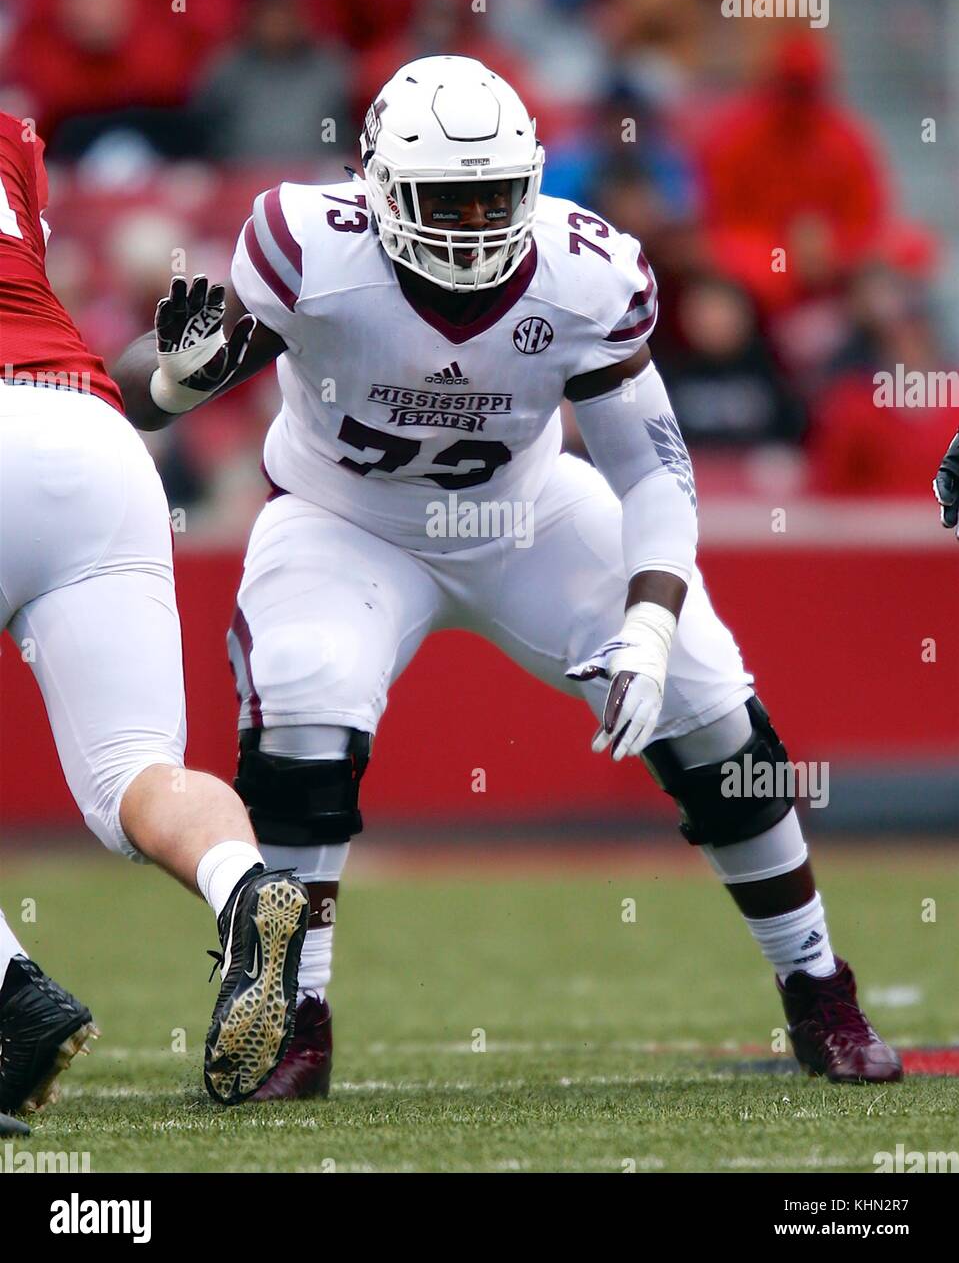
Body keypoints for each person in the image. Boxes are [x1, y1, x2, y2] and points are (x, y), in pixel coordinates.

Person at [113, 56, 901, 1099]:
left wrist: (651, 628)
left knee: (709, 696)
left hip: (525, 512)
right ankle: (296, 1012)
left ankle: (813, 981)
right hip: (344, 520)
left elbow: (652, 473)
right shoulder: (307, 242)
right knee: (305, 696)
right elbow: (141, 400)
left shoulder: (584, 271)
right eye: (448, 198)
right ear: (378, 183)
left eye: (495, 194)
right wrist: (172, 373)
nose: (474, 222)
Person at [0, 111, 309, 1117]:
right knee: (134, 768)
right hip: (88, 434)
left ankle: (11, 999)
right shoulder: (11, 138)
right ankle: (241, 883)